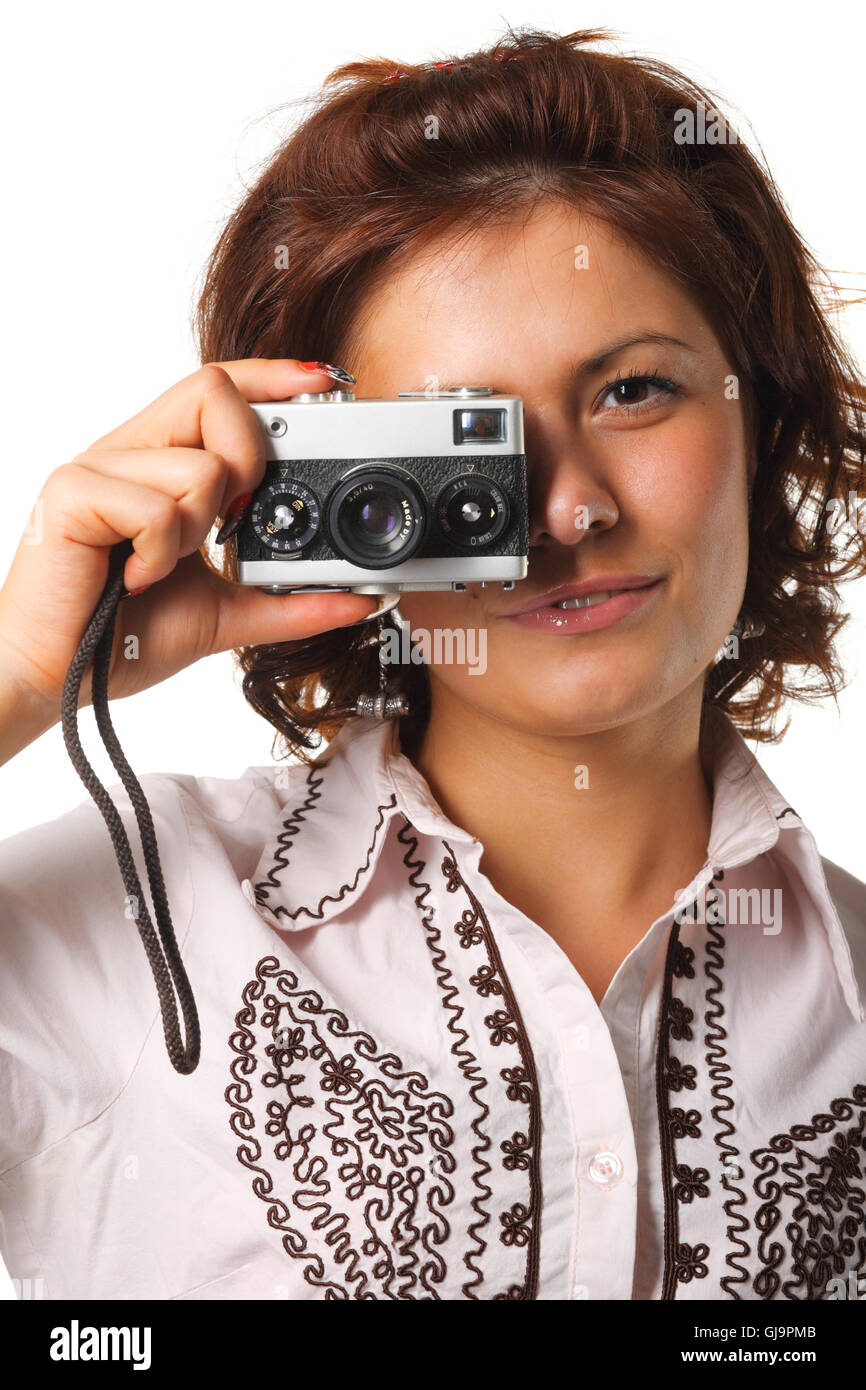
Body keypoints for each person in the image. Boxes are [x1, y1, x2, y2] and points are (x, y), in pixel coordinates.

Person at [0, 26, 864, 1303]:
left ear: (761, 416)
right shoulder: (123, 927)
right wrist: (20, 676)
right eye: (466, 444)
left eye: (631, 391)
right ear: (326, 488)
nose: (565, 509)